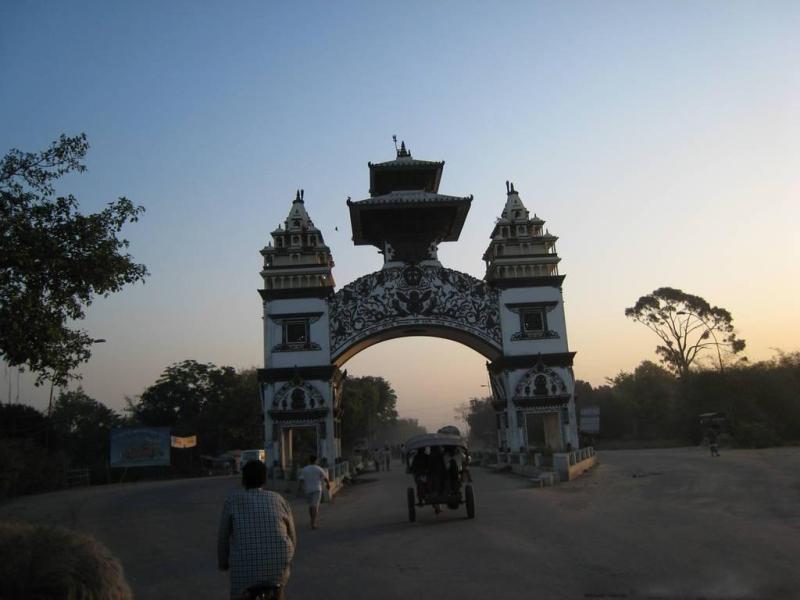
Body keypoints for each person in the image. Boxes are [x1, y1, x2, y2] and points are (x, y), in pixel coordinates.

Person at [218, 460, 296, 600]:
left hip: (244, 569)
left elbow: (223, 537)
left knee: (239, 594)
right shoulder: (278, 499)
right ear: (265, 480)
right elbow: (292, 535)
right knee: (279, 589)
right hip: (278, 564)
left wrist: (223, 562)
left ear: (243, 480)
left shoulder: (232, 500)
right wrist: (288, 558)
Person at [297, 455, 331, 529]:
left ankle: (312, 520)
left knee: (311, 506)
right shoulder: (319, 468)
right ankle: (313, 523)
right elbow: (325, 478)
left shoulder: (305, 469)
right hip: (317, 489)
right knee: (315, 506)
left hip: (308, 490)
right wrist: (328, 485)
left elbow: (301, 480)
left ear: (309, 460)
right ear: (316, 461)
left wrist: (299, 489)